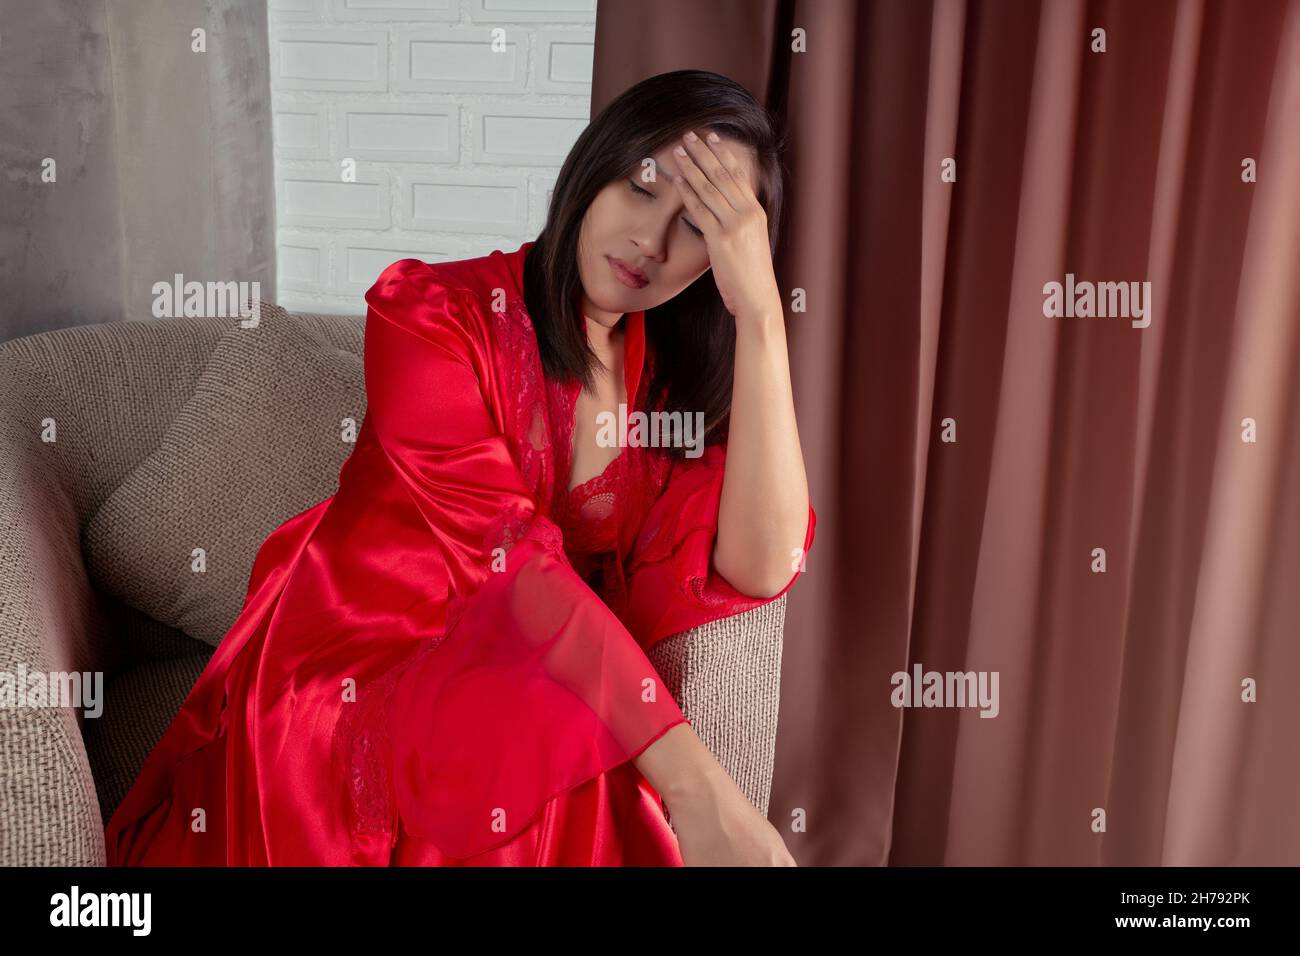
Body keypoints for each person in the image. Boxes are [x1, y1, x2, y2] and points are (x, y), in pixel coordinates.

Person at [104, 69, 816, 867]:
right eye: (642, 186)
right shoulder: (429, 315)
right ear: (594, 165)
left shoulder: (666, 384)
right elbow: (507, 561)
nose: (651, 240)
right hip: (369, 651)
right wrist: (696, 784)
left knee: (558, 733)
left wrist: (760, 316)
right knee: (559, 745)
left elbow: (760, 564)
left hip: (536, 667)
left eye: (700, 227)